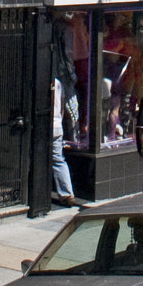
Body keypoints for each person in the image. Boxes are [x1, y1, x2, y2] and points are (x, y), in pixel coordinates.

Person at [49, 76, 80, 207]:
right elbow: (62, 106)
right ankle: (67, 193)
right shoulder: (59, 83)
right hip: (57, 125)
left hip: (48, 124)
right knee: (58, 159)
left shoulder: (43, 80)